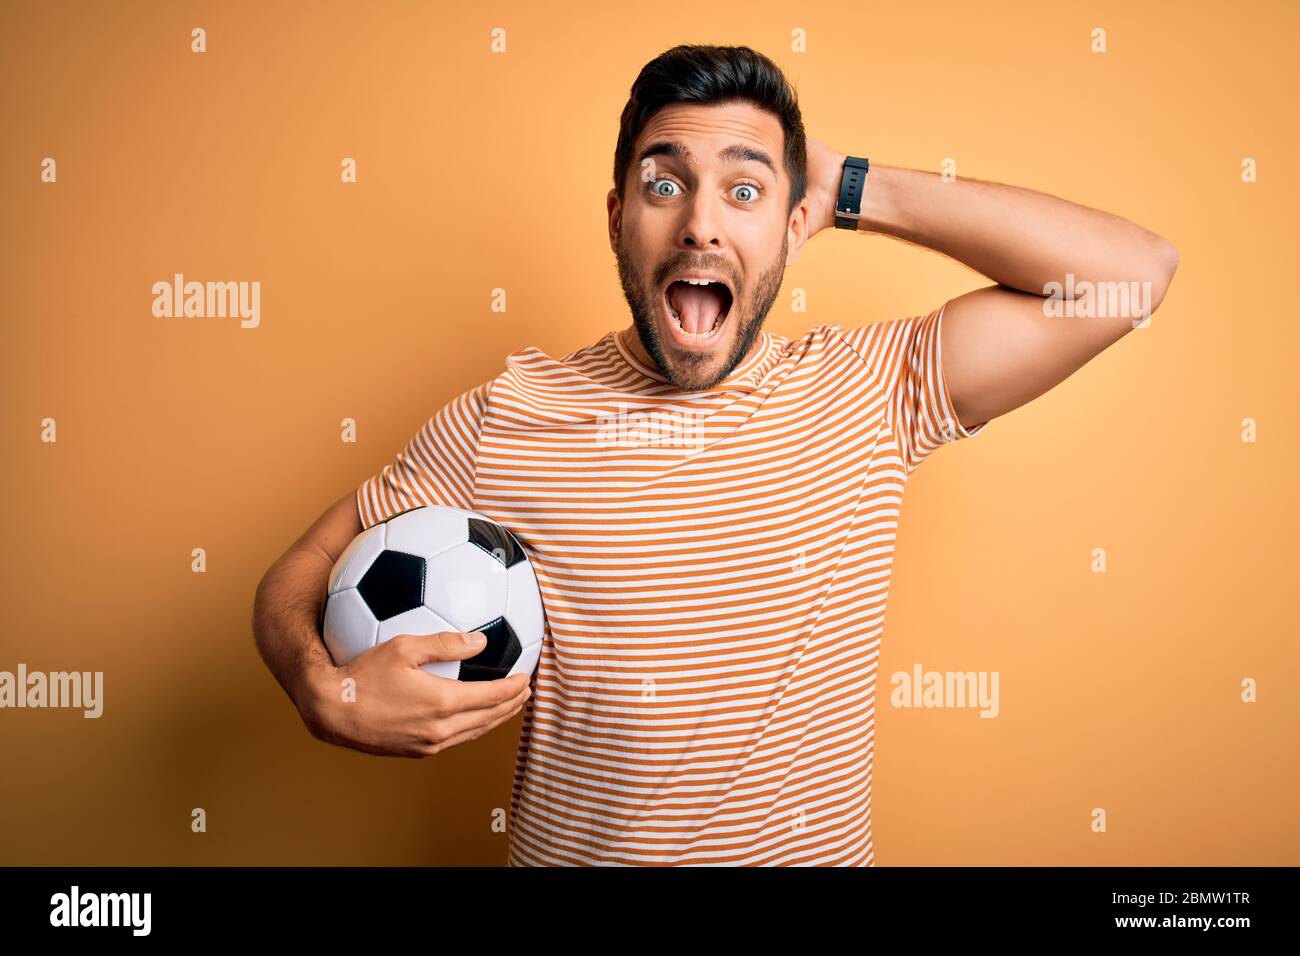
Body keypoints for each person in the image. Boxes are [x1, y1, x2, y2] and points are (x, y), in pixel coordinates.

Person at [253, 44, 1178, 866]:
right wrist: (318, 684)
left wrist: (853, 186)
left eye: (745, 191)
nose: (701, 223)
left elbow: (1134, 276)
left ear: (791, 226)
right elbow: (299, 570)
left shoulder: (873, 389)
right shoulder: (508, 415)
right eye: (664, 185)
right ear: (618, 217)